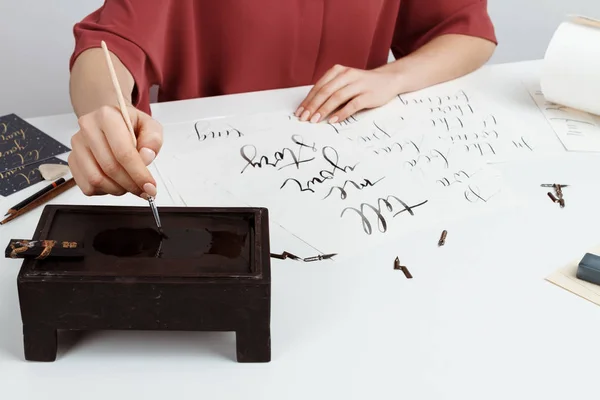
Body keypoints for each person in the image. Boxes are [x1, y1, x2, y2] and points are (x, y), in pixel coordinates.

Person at [68, 0, 497, 198]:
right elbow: (107, 47)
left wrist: (393, 76)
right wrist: (109, 110)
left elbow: (468, 32)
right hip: (217, 174)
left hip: (360, 172)